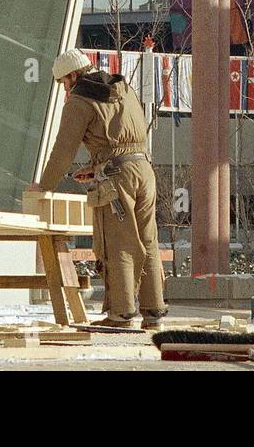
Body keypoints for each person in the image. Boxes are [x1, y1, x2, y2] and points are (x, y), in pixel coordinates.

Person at [31, 49, 167, 329]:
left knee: (117, 243)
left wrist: (43, 186)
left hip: (117, 180)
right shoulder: (124, 89)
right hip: (144, 170)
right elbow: (126, 141)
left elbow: (63, 150)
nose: (65, 90)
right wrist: (96, 166)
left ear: (72, 75)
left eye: (64, 84)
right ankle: (154, 314)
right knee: (148, 240)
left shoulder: (81, 101)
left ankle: (122, 314)